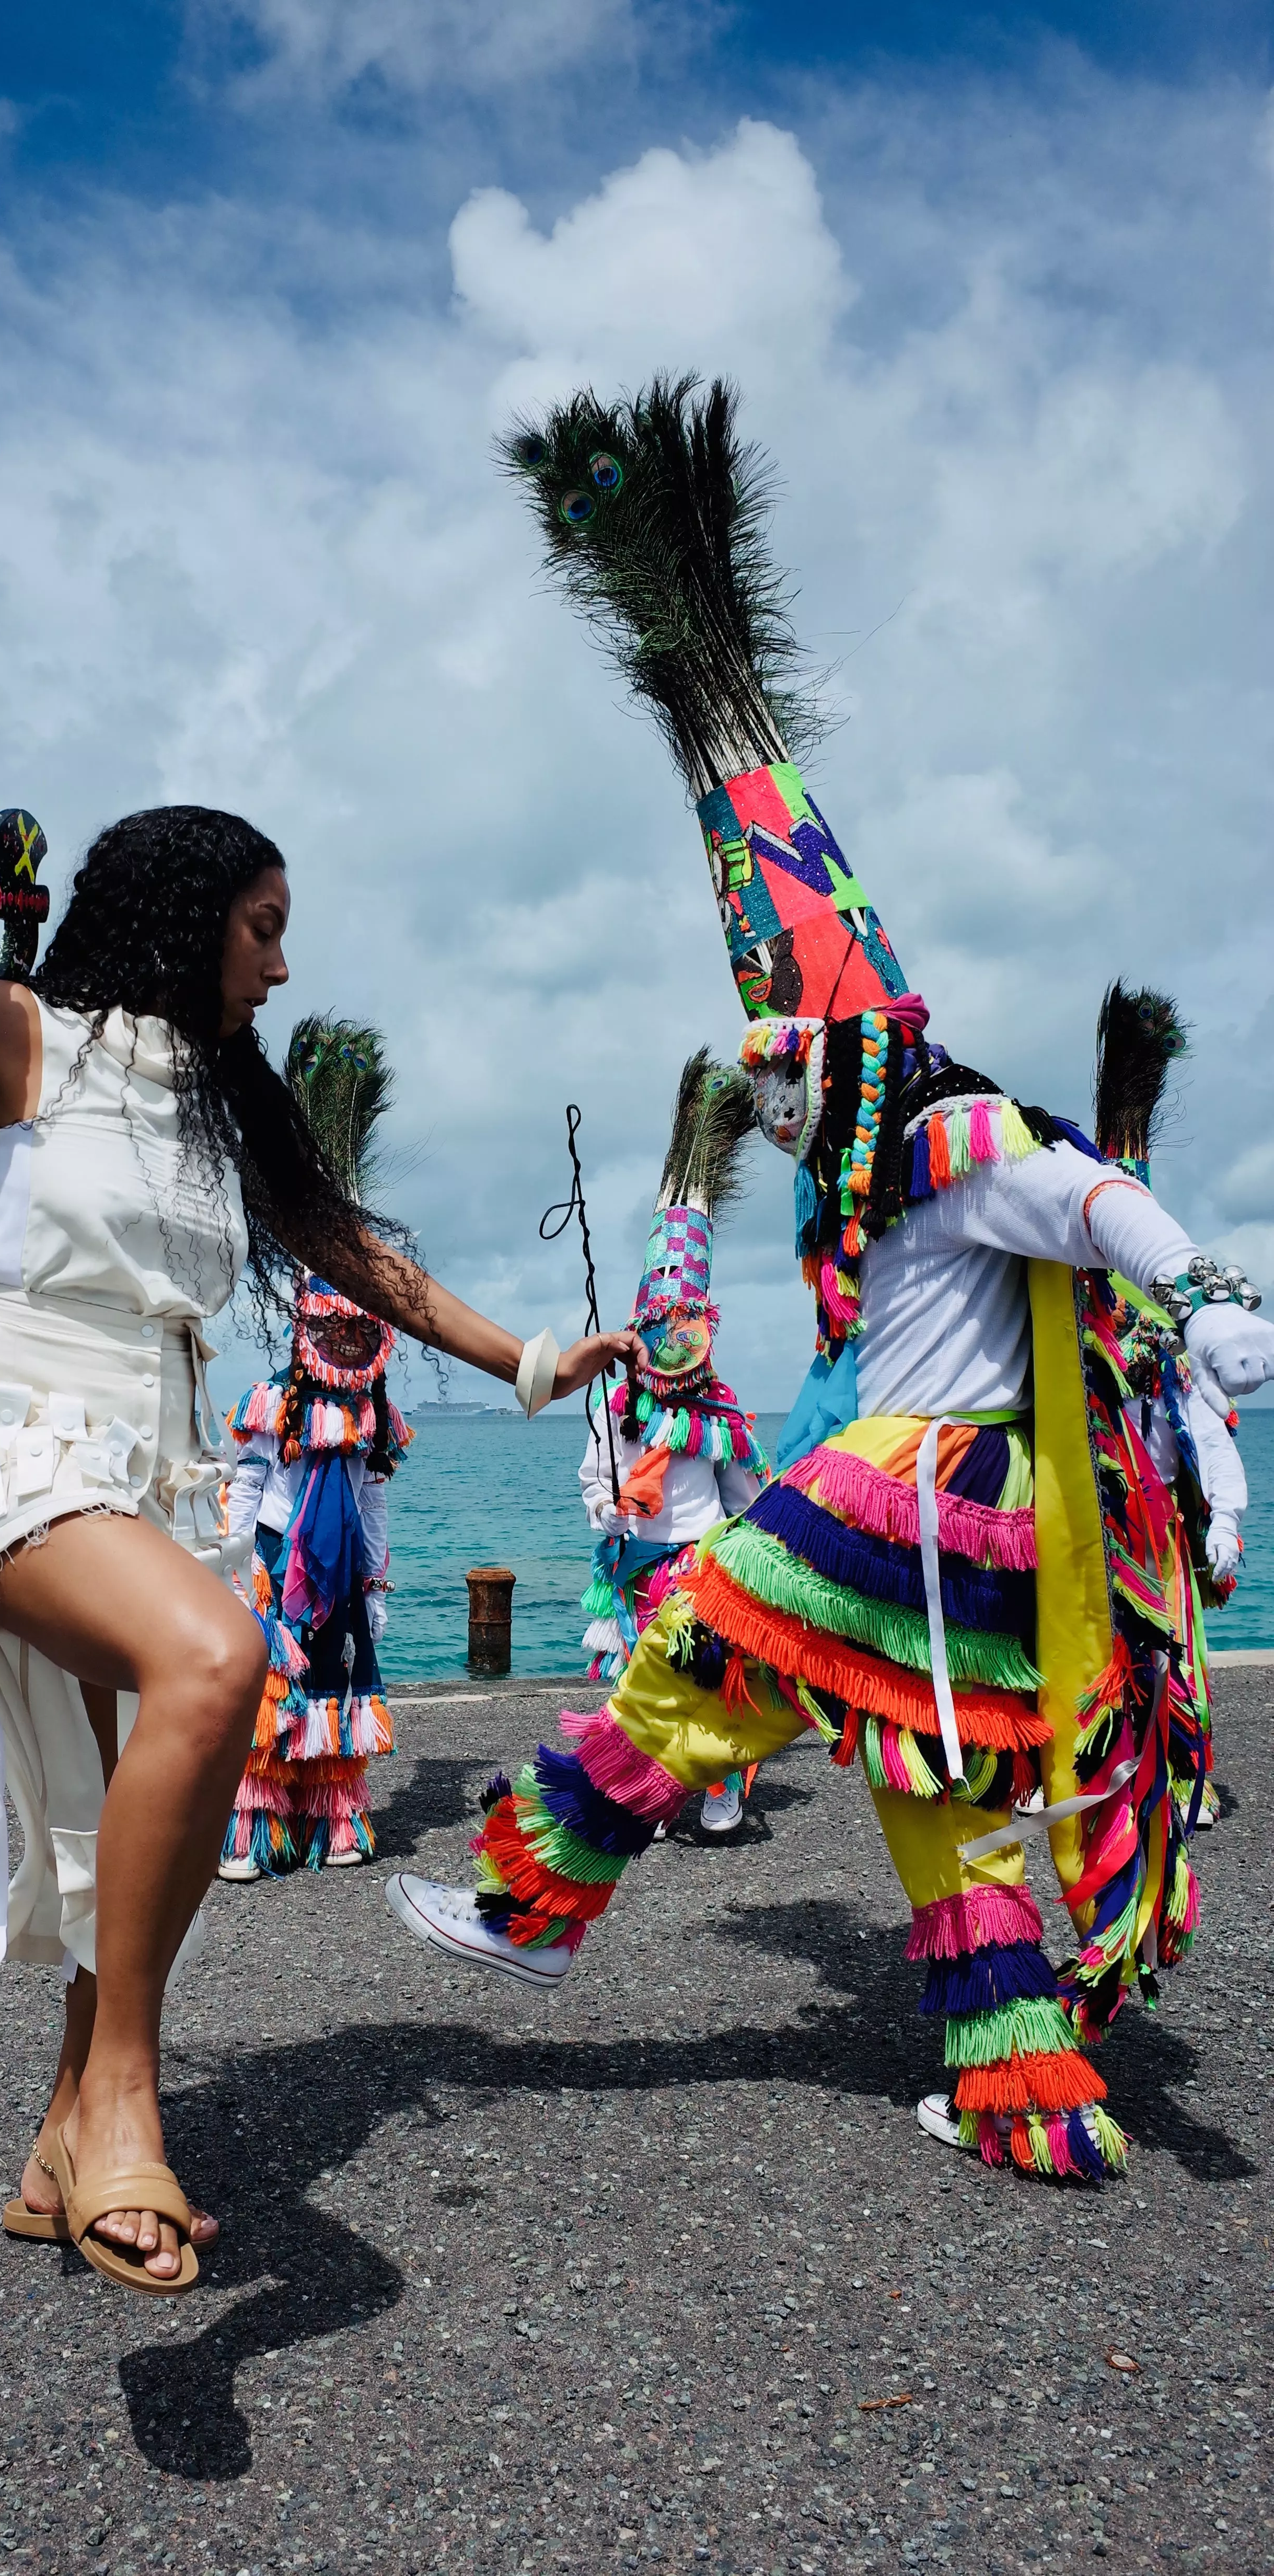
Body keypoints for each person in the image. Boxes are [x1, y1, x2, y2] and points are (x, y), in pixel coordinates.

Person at [387, 375, 1274, 2180]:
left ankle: (533, 1906)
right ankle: (1024, 2087)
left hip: (905, 1483)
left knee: (688, 1647)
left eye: (785, 1072)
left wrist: (1199, 1296)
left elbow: (1094, 1195)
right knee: (942, 1800)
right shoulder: (896, 1166)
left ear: (855, 1051)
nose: (771, 1103)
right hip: (981, 1519)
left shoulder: (955, 1142)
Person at [0, 805, 633, 2291]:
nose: (280, 967)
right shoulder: (11, 1029)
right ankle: (131, 2101)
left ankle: (63, 2142)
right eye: (265, 928)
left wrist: (534, 1362)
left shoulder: (217, 1094)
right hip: (10, 1431)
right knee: (218, 1660)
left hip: (160, 1465)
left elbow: (358, 1251)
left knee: (114, 1804)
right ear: (184, 912)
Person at [219, 1016, 412, 1879]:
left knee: (336, 1687)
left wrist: (373, 1582)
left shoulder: (372, 1417)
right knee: (269, 1696)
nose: (338, 1349)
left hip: (337, 1577)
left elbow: (371, 1498)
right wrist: (232, 1569)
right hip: (274, 1558)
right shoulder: (272, 1405)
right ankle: (262, 1830)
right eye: (327, 1332)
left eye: (354, 1334)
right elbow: (245, 1481)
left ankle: (336, 1822)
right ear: (305, 1327)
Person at [576, 1046, 767, 1835]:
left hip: (697, 1558)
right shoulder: (612, 1407)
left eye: (685, 1333)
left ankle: (719, 1785)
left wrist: (740, 1556)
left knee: (705, 1674)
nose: (671, 1350)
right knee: (637, 1679)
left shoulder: (719, 1415)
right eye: (659, 1333)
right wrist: (608, 1510)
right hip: (633, 1560)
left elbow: (744, 1498)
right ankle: (644, 1789)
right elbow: (590, 1479)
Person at [1092, 982, 1247, 1832]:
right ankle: (1094, 1774)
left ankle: (1185, 1778)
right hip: (1096, 1524)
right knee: (1092, 1652)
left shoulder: (1172, 1367)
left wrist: (1222, 1520)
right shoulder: (1080, 1369)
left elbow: (1211, 1440)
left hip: (1161, 1529)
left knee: (1177, 1651)